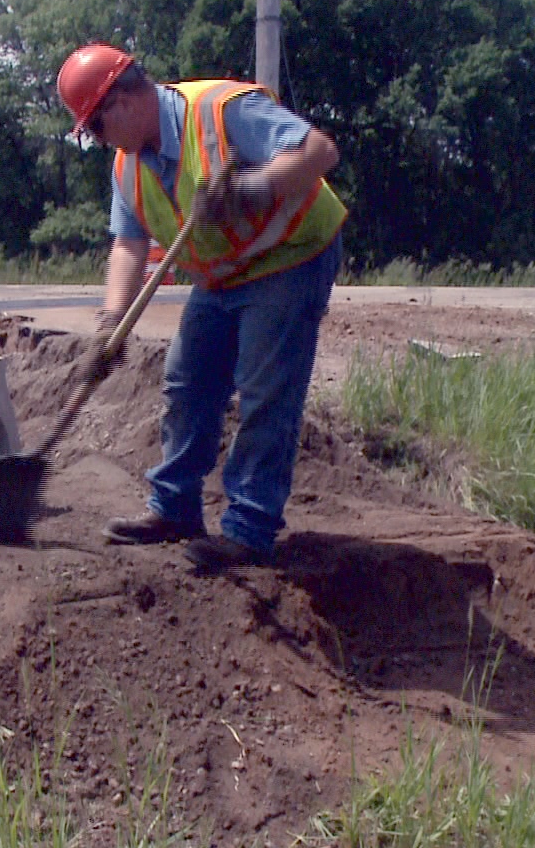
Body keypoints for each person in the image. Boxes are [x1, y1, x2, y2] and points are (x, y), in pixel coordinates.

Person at [55, 42, 346, 573]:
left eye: (95, 128)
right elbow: (128, 245)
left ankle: (249, 529)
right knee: (186, 382)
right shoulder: (128, 167)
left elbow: (321, 152)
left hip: (289, 256)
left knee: (264, 392)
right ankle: (175, 509)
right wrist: (110, 325)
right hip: (222, 275)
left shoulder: (220, 110)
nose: (98, 142)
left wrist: (254, 187)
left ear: (120, 101)